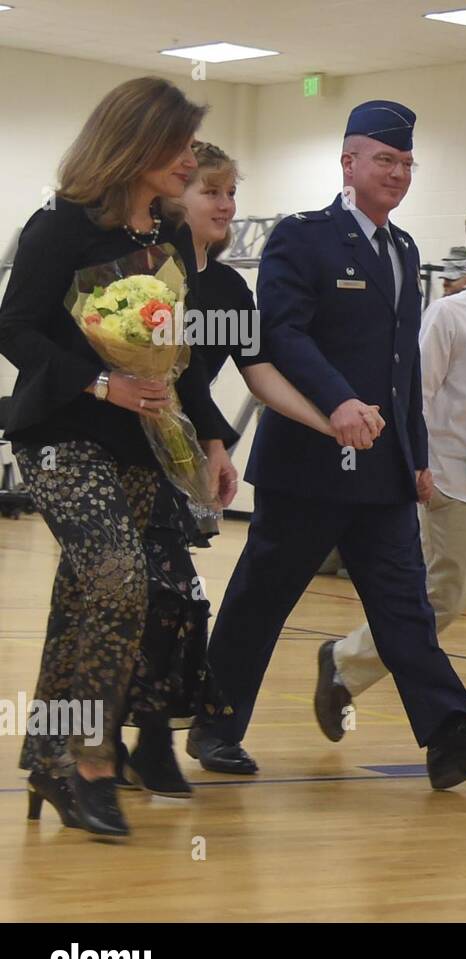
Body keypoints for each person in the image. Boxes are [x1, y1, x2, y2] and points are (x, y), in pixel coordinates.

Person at [191, 100, 466, 791]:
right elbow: (283, 334)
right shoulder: (303, 237)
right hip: (309, 462)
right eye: (384, 160)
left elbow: (402, 372)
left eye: (406, 163)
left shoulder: (403, 250)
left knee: (405, 604)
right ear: (348, 162)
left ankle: (447, 735)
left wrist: (418, 456)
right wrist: (336, 399)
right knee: (262, 596)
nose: (398, 173)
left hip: (384, 469)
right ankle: (215, 724)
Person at [0, 78, 239, 836]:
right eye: (179, 145)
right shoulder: (61, 224)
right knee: (116, 575)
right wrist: (100, 380)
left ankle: (50, 756)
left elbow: (182, 357)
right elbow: (14, 328)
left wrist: (213, 437)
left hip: (142, 448)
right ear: (135, 143)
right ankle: (94, 758)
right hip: (61, 438)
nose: (189, 160)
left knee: (86, 598)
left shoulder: (168, 235)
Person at [110, 139, 341, 799]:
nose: (227, 204)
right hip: (124, 451)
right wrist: (207, 440)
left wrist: (330, 421)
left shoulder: (230, 285)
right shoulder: (146, 270)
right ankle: (119, 744)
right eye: (211, 190)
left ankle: (152, 741)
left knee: (174, 601)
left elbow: (258, 372)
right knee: (141, 599)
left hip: (177, 459)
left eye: (231, 192)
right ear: (173, 194)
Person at [319, 204, 466, 769]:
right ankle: (344, 662)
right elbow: (416, 395)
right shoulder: (447, 316)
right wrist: (416, 463)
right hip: (449, 476)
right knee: (442, 599)